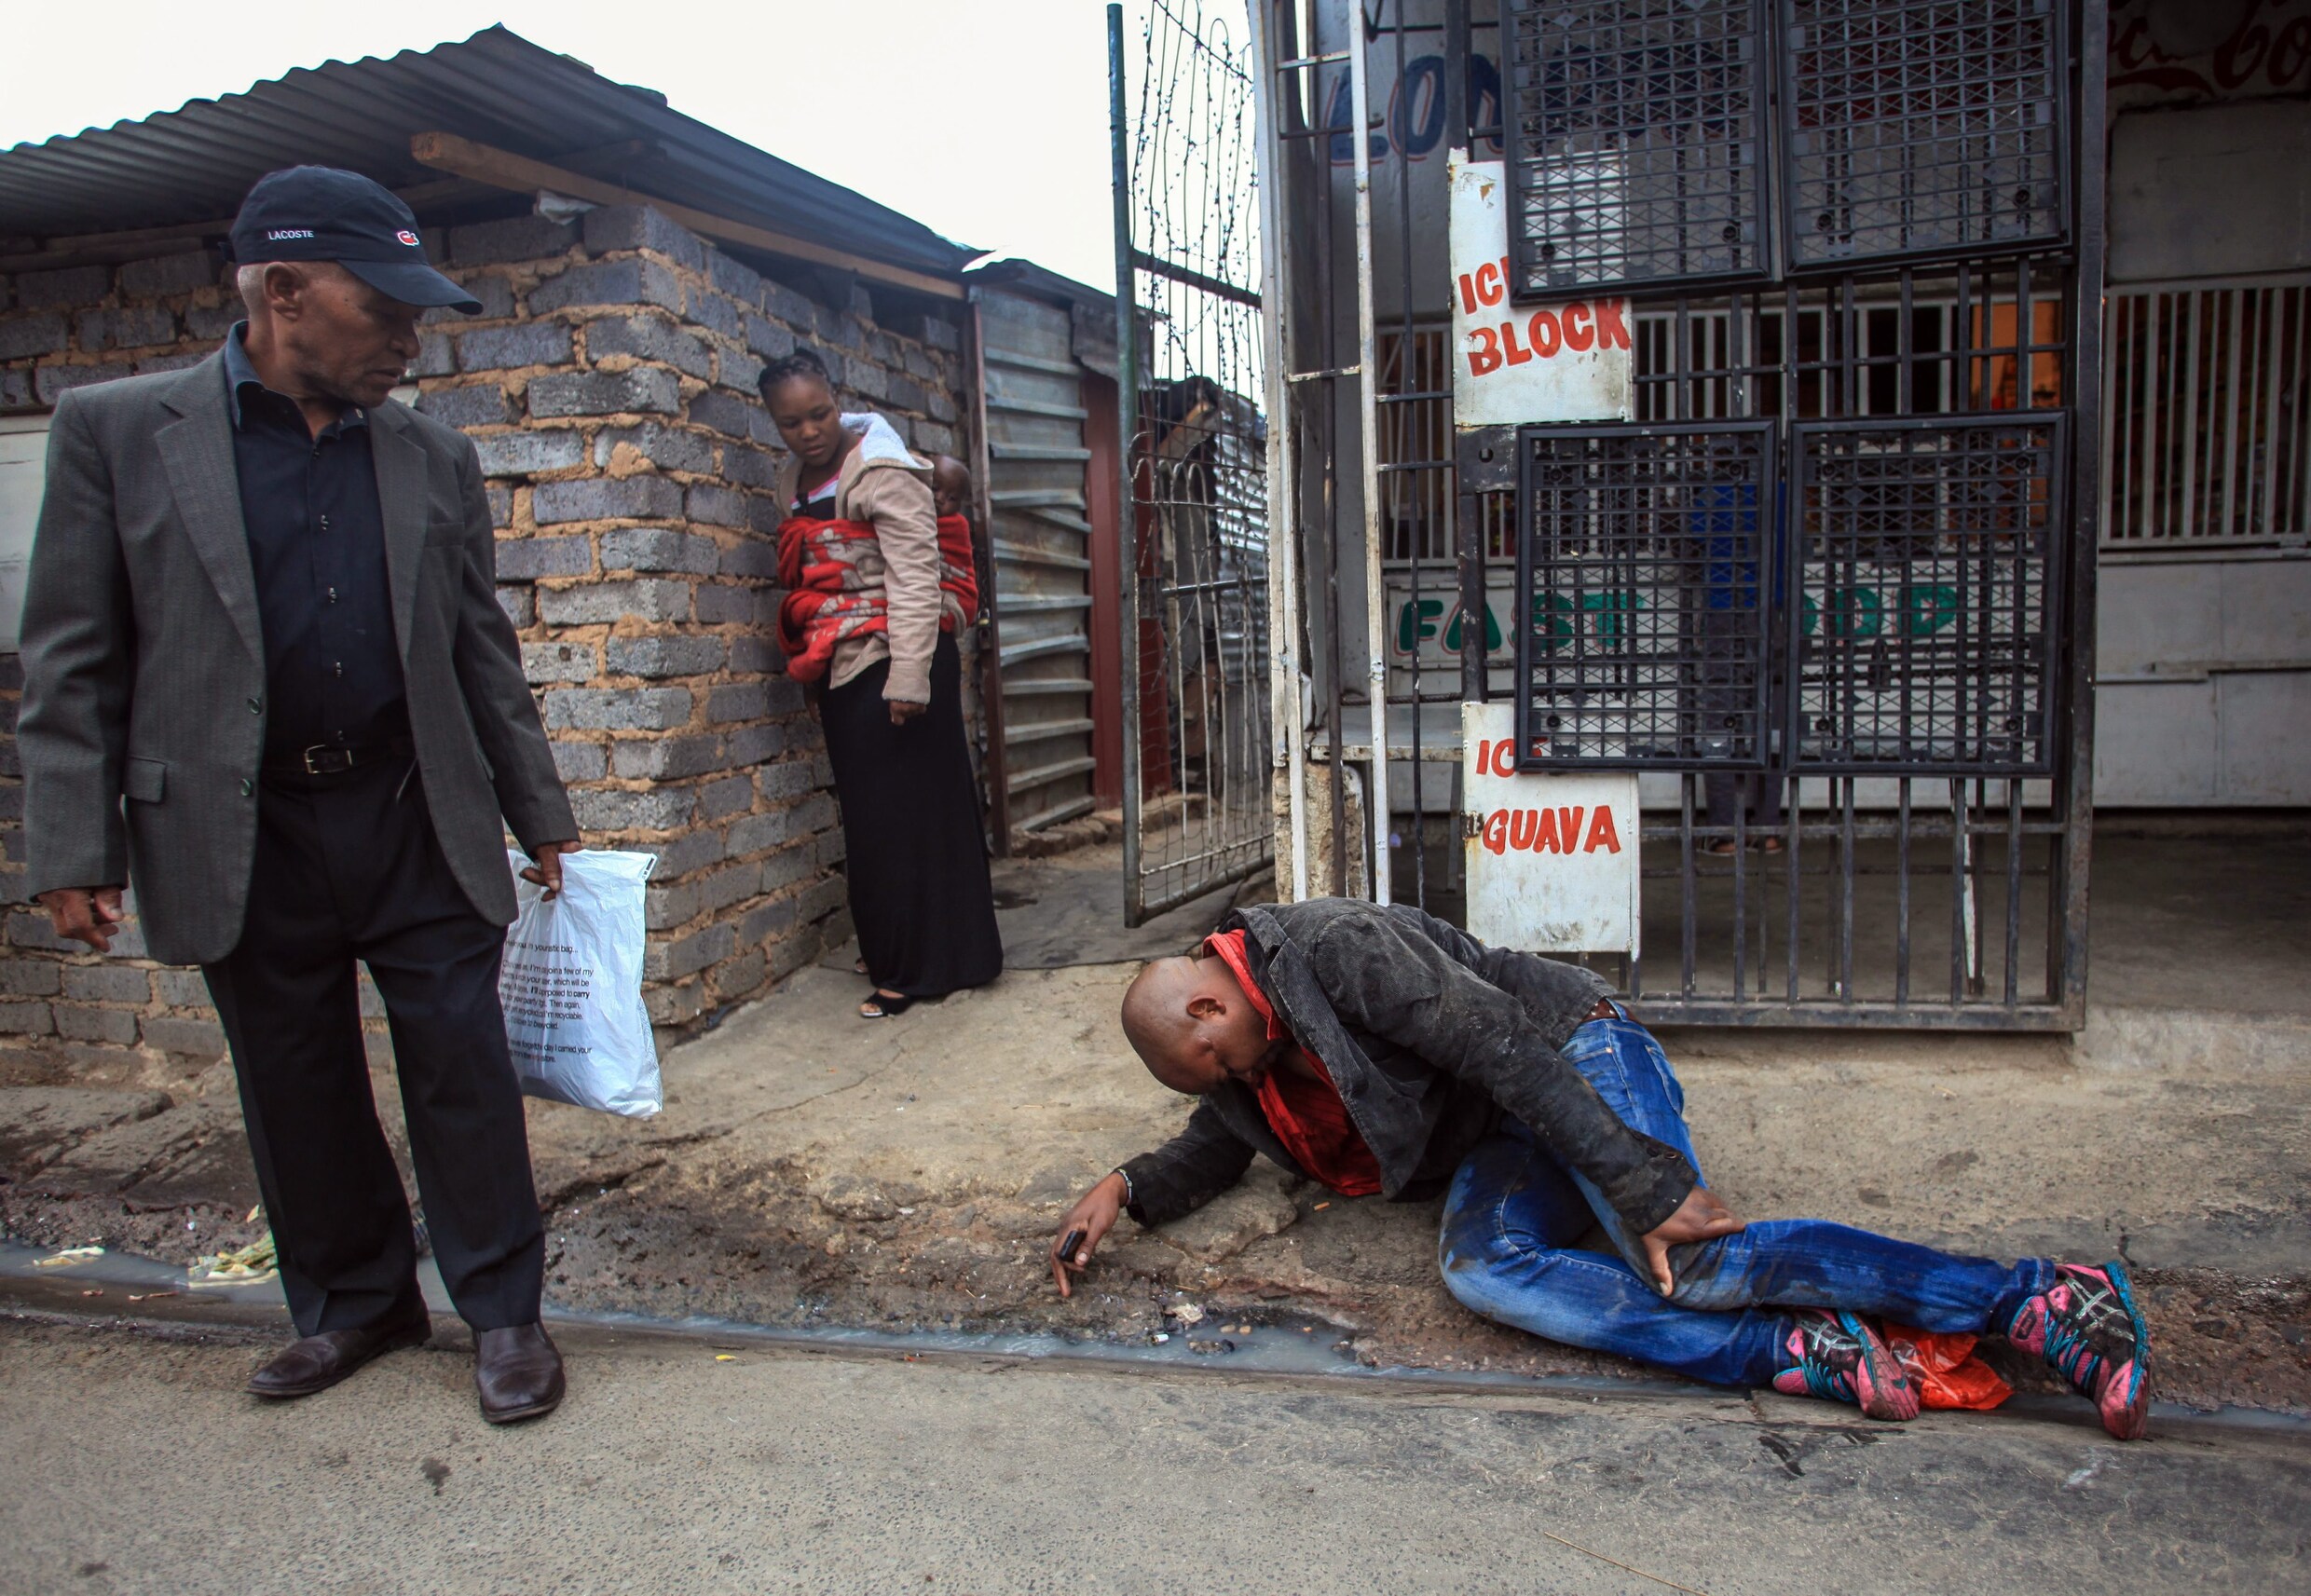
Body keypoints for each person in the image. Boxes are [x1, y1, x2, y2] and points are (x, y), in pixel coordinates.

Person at [19, 168, 580, 1423]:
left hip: (410, 809)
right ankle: (356, 1304)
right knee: (294, 1076)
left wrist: (539, 809)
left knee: (460, 1067)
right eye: (381, 307)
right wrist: (73, 841)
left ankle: (504, 1314)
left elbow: (478, 648)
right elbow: (73, 654)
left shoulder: (432, 455)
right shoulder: (118, 433)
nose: (408, 337)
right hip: (242, 824)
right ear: (282, 292)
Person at [1050, 897, 2152, 1440]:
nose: (1220, 1087)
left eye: (1208, 1063)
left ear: (1209, 1004)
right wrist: (1129, 1189)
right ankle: (1786, 1351)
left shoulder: (1333, 949)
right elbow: (1226, 1135)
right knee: (1482, 1271)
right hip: (1506, 1128)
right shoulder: (1252, 1056)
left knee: (1694, 1260)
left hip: (1571, 1048)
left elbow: (1498, 1045)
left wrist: (1640, 1187)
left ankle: (2040, 1296)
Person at [759, 351, 1001, 1018]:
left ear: (838, 402)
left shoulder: (882, 469)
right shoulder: (793, 481)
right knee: (877, 818)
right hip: (844, 655)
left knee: (906, 821)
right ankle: (918, 948)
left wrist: (910, 679)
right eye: (791, 422)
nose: (809, 431)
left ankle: (915, 971)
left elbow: (916, 576)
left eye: (819, 414)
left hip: (899, 656)